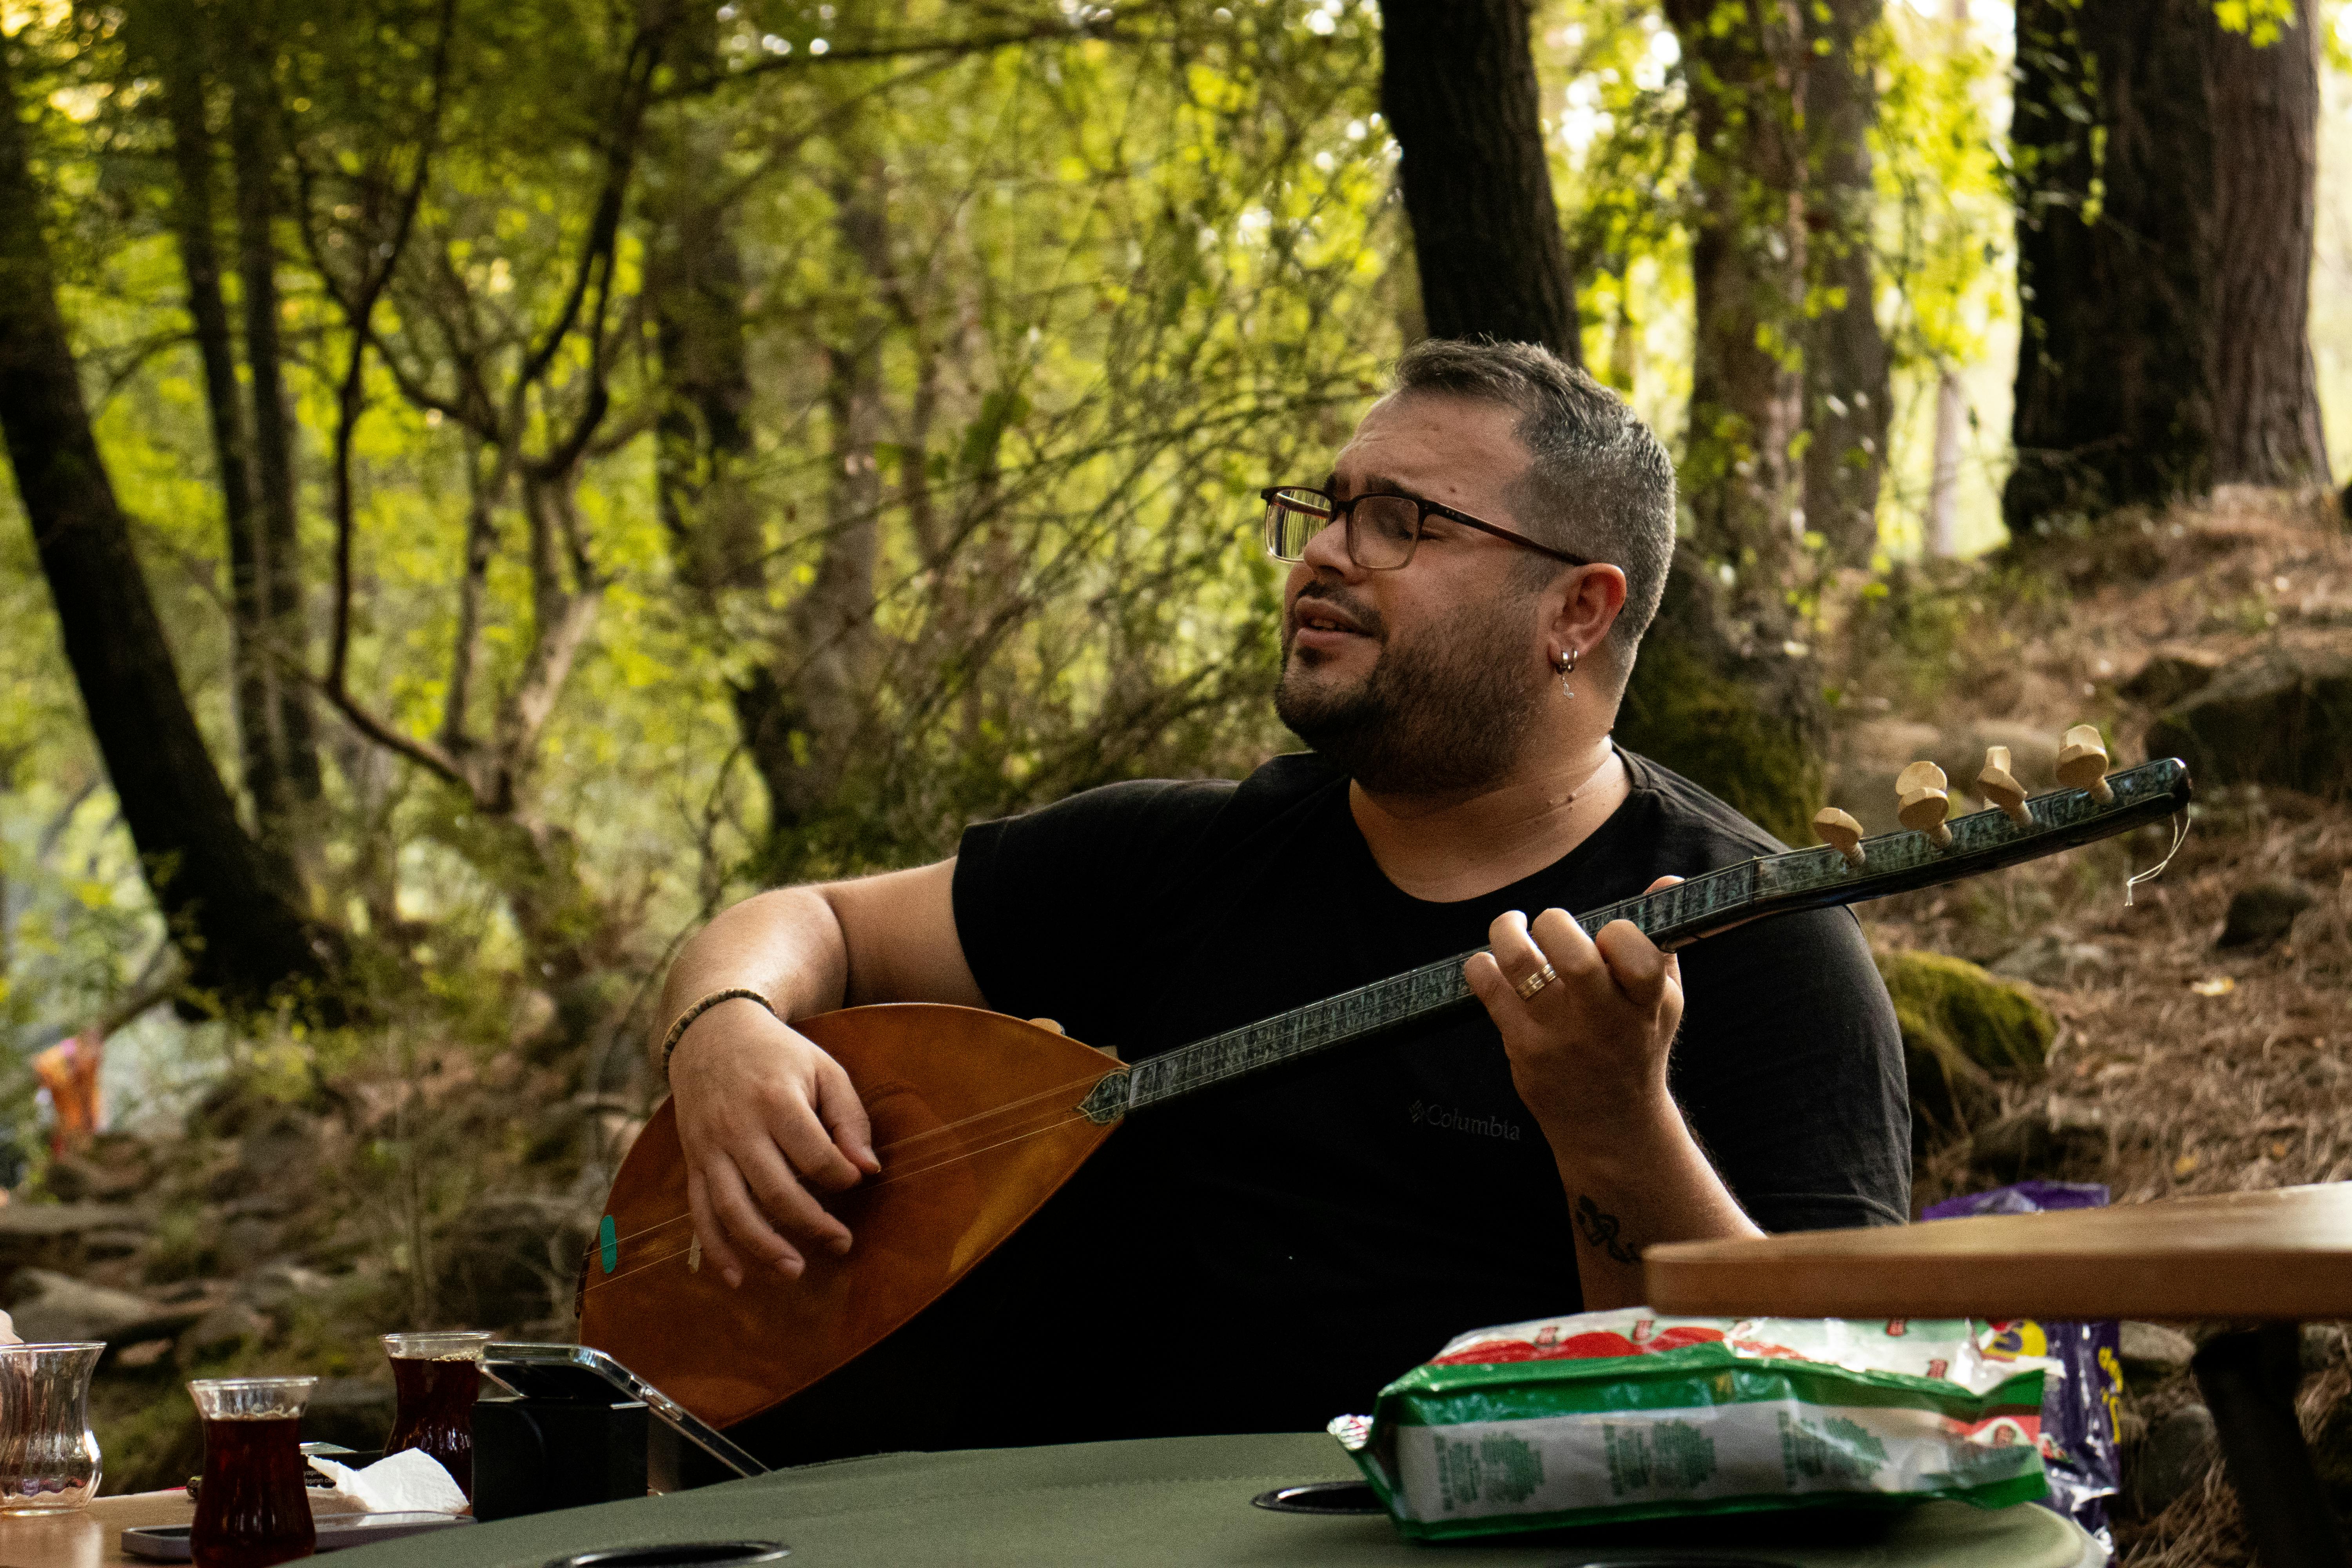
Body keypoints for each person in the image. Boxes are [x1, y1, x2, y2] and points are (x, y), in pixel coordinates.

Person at [660, 338, 1907, 1463]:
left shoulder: (1756, 939)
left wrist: (1613, 1122)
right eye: (1328, 508)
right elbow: (809, 925)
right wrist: (725, 1031)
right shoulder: (1175, 857)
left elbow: (1844, 1408)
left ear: (1576, 610)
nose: (1323, 551)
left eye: (1400, 521)